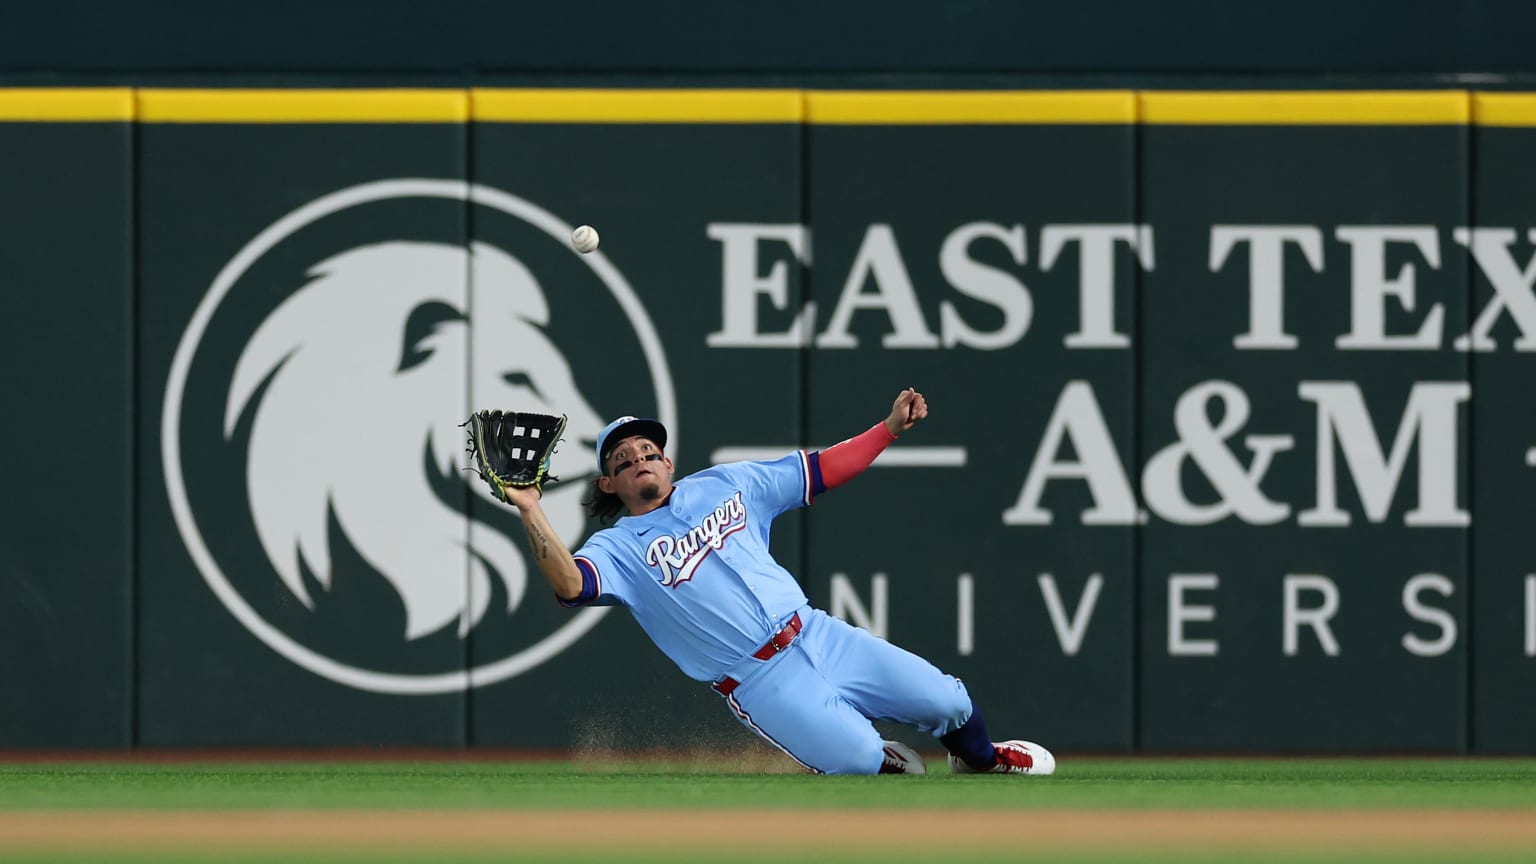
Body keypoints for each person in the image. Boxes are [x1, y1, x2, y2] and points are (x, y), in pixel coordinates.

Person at [500, 387, 1055, 776]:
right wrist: (529, 508)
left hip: (816, 633)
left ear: (668, 464)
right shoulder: (616, 548)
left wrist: (886, 430)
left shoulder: (728, 484)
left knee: (945, 700)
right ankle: (869, 752)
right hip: (760, 682)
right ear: (609, 482)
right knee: (860, 762)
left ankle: (980, 761)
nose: (640, 459)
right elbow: (571, 584)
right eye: (624, 459)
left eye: (649, 451)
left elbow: (820, 470)